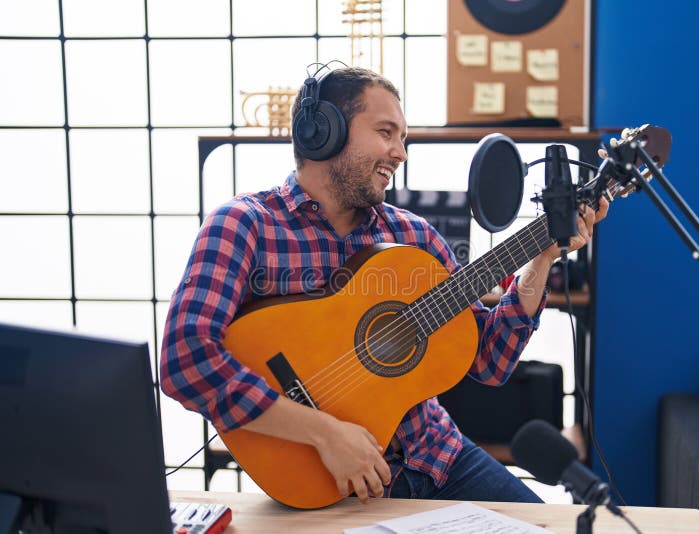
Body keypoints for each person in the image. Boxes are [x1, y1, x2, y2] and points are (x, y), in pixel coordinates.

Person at [160, 66, 608, 505]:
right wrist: (324, 434)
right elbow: (185, 361)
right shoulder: (244, 225)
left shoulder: (413, 236)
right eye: (386, 132)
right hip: (330, 485)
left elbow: (490, 362)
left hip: (440, 459)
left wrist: (541, 258)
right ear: (325, 132)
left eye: (403, 138)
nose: (400, 153)